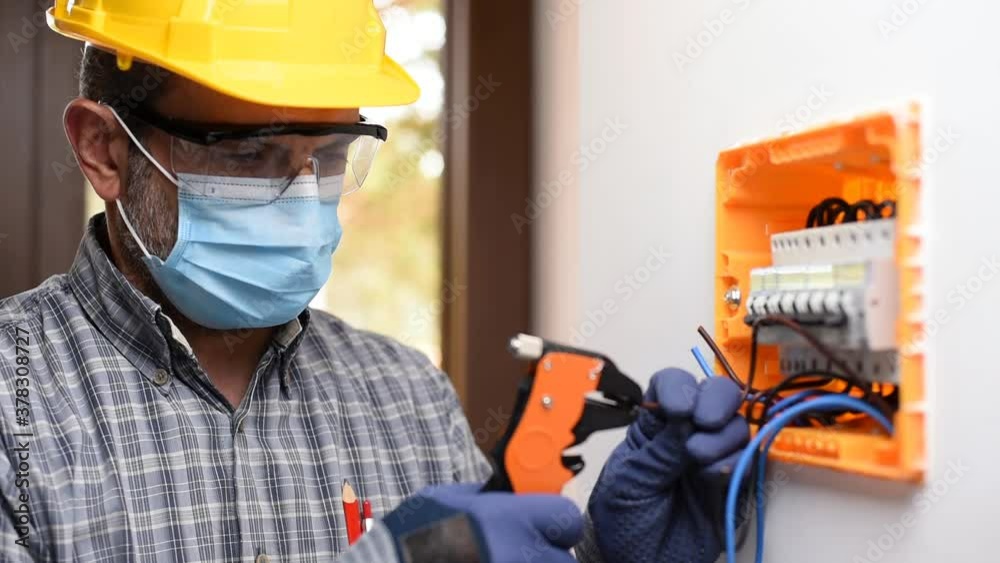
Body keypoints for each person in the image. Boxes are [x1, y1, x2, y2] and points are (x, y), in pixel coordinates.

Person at [0, 2, 749, 562]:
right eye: (249, 153)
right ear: (104, 149)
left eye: (329, 154)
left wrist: (609, 558)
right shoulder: (13, 399)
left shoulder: (408, 397)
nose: (302, 199)